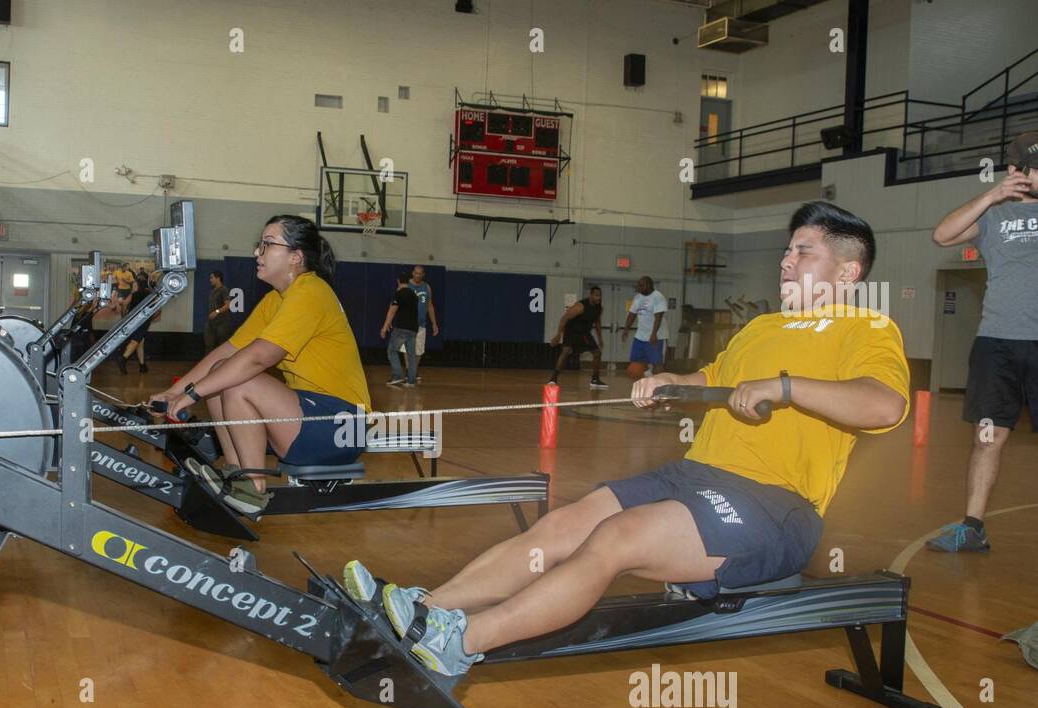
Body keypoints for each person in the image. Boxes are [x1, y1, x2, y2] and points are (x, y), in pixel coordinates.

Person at [343, 201, 909, 676]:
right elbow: (715, 379)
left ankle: (458, 645)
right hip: (696, 475)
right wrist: (672, 382)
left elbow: (884, 404)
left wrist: (784, 387)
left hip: (773, 505)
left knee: (616, 538)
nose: (786, 260)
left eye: (803, 251)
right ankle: (423, 609)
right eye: (787, 250)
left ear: (848, 272)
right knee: (562, 525)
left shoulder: (869, 328)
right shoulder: (762, 327)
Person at [149, 215, 371, 515]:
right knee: (222, 371)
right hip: (310, 417)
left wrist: (191, 395)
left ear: (296, 257)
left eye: (267, 245)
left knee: (241, 379)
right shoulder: (276, 300)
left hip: (342, 427)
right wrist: (174, 392)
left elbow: (258, 358)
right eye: (260, 245)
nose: (257, 252)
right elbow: (227, 351)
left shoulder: (311, 292)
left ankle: (252, 489)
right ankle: (236, 472)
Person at [925, 130, 1038, 553]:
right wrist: (993, 196)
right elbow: (942, 235)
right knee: (987, 438)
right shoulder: (993, 218)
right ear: (1015, 172)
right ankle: (973, 526)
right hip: (997, 344)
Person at [549, 285, 606, 388]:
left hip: (584, 334)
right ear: (591, 295)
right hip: (571, 332)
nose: (599, 298)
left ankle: (595, 379)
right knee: (565, 352)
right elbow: (564, 318)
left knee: (597, 353)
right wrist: (558, 335)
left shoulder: (599, 308)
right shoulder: (580, 306)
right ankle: (553, 379)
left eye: (600, 296)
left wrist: (600, 338)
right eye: (596, 295)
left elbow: (597, 322)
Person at [622, 276, 669, 380]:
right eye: (638, 285)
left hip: (656, 336)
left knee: (657, 363)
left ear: (648, 285)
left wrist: (653, 334)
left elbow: (659, 317)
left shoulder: (658, 297)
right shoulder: (638, 297)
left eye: (641, 285)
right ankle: (644, 379)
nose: (638, 287)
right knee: (636, 362)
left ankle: (661, 386)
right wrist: (626, 329)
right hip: (640, 336)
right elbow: (632, 314)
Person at [399, 265, 440, 380]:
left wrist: (434, 323)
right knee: (405, 349)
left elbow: (430, 306)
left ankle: (413, 371)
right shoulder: (406, 286)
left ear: (423, 275)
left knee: (419, 350)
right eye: (416, 273)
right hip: (407, 323)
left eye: (420, 273)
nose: (417, 275)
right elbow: (396, 303)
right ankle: (408, 371)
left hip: (421, 324)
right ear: (413, 273)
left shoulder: (426, 287)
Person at [382, 271, 420, 387]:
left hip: (401, 328)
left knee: (392, 351)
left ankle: (398, 376)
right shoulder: (413, 295)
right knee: (411, 355)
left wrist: (385, 327)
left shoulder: (399, 294)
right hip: (413, 329)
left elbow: (392, 311)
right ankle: (411, 381)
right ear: (409, 281)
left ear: (398, 281)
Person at [116, 268, 153, 374]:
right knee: (136, 340)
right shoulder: (150, 295)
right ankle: (124, 358)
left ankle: (142, 365)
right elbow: (156, 309)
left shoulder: (134, 294)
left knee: (140, 342)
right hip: (144, 320)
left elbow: (124, 304)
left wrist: (124, 315)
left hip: (132, 319)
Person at [202, 271, 234, 352]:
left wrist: (216, 312)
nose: (210, 280)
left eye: (212, 277)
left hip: (222, 322)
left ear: (218, 278)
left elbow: (228, 305)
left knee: (222, 345)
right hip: (211, 323)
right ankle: (208, 363)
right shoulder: (213, 290)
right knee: (208, 345)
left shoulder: (223, 289)